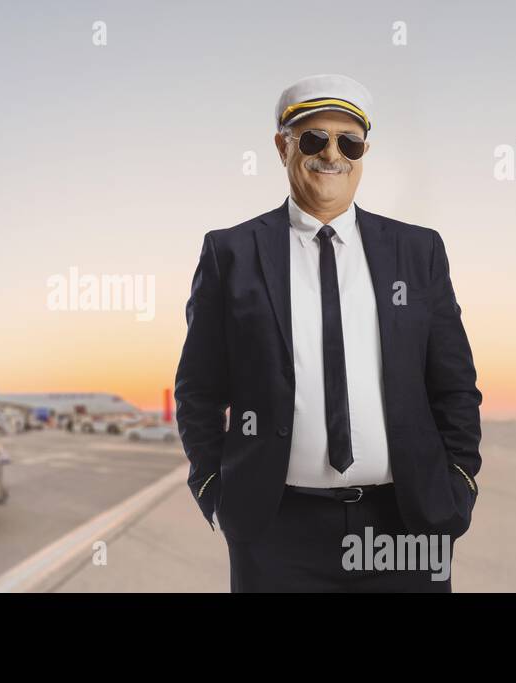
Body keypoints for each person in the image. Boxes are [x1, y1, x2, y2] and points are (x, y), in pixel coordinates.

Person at [174, 74, 482, 592]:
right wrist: (213, 488)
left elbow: (454, 385)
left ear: (363, 152)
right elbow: (198, 392)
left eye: (349, 142)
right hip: (276, 533)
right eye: (314, 138)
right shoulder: (231, 253)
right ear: (282, 146)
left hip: (404, 524)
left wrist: (460, 484)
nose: (332, 155)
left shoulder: (418, 250)